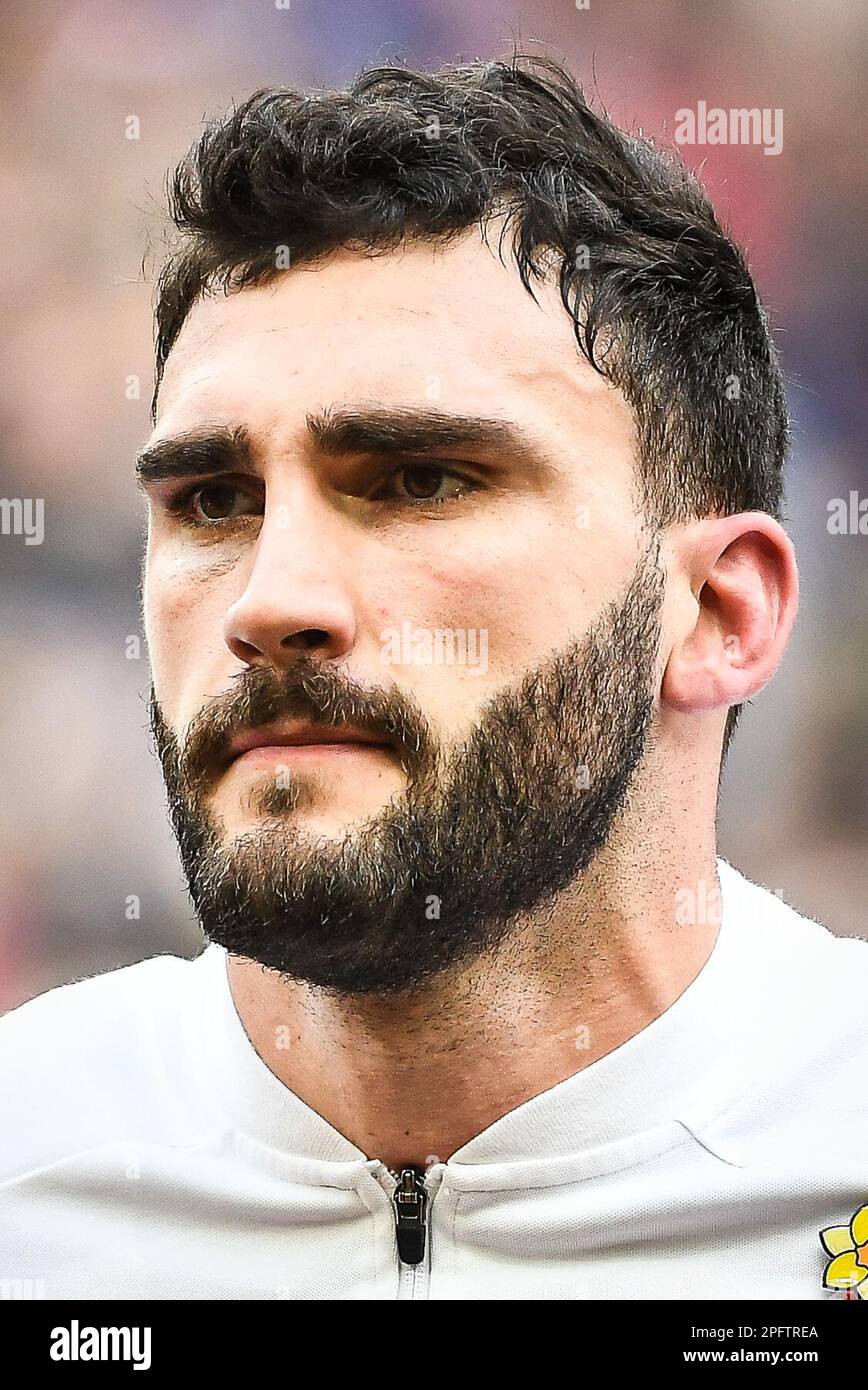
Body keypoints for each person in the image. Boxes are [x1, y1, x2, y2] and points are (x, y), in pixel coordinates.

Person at [1, 53, 865, 1302]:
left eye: (418, 480)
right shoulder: (31, 1178)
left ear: (717, 611)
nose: (268, 600)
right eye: (211, 501)